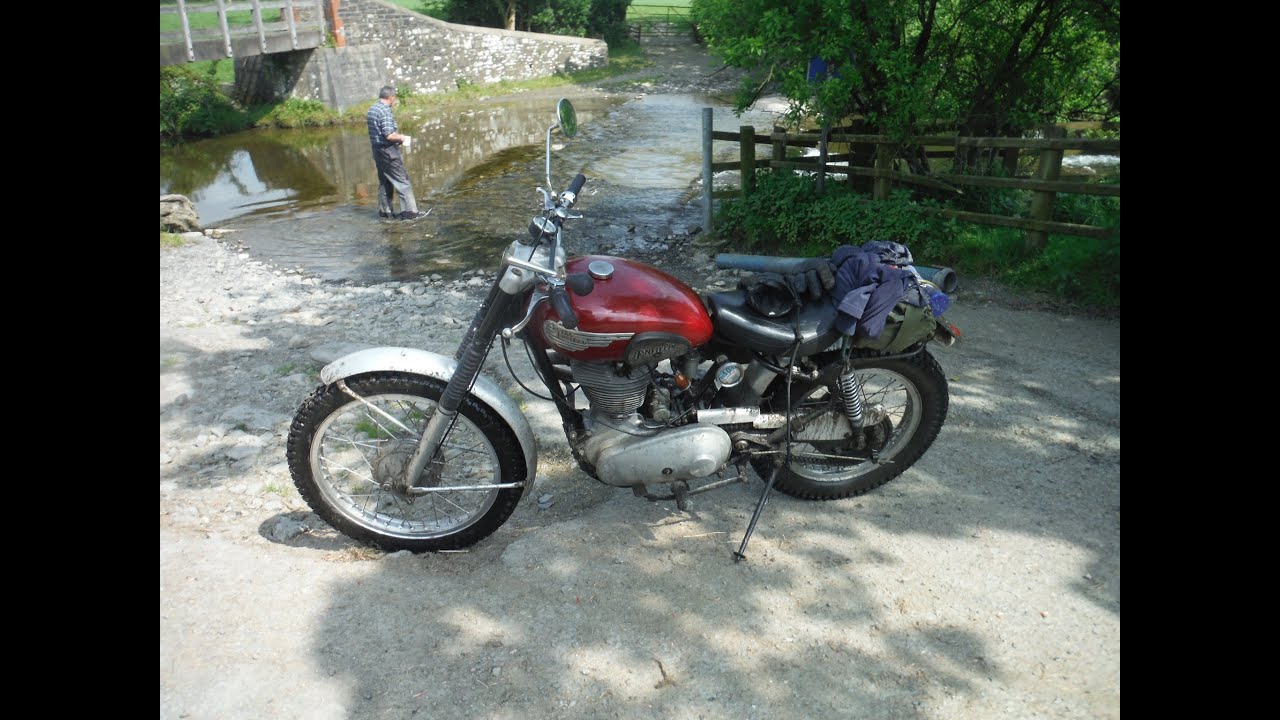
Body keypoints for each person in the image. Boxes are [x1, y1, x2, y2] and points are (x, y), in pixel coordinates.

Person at [366, 85, 427, 220]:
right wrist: (402, 138)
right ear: (391, 97)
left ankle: (385, 212)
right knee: (403, 182)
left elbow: (378, 132)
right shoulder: (385, 111)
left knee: (385, 181)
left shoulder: (372, 109)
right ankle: (410, 214)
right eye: (394, 98)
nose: (394, 101)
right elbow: (389, 135)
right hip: (388, 152)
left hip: (377, 151)